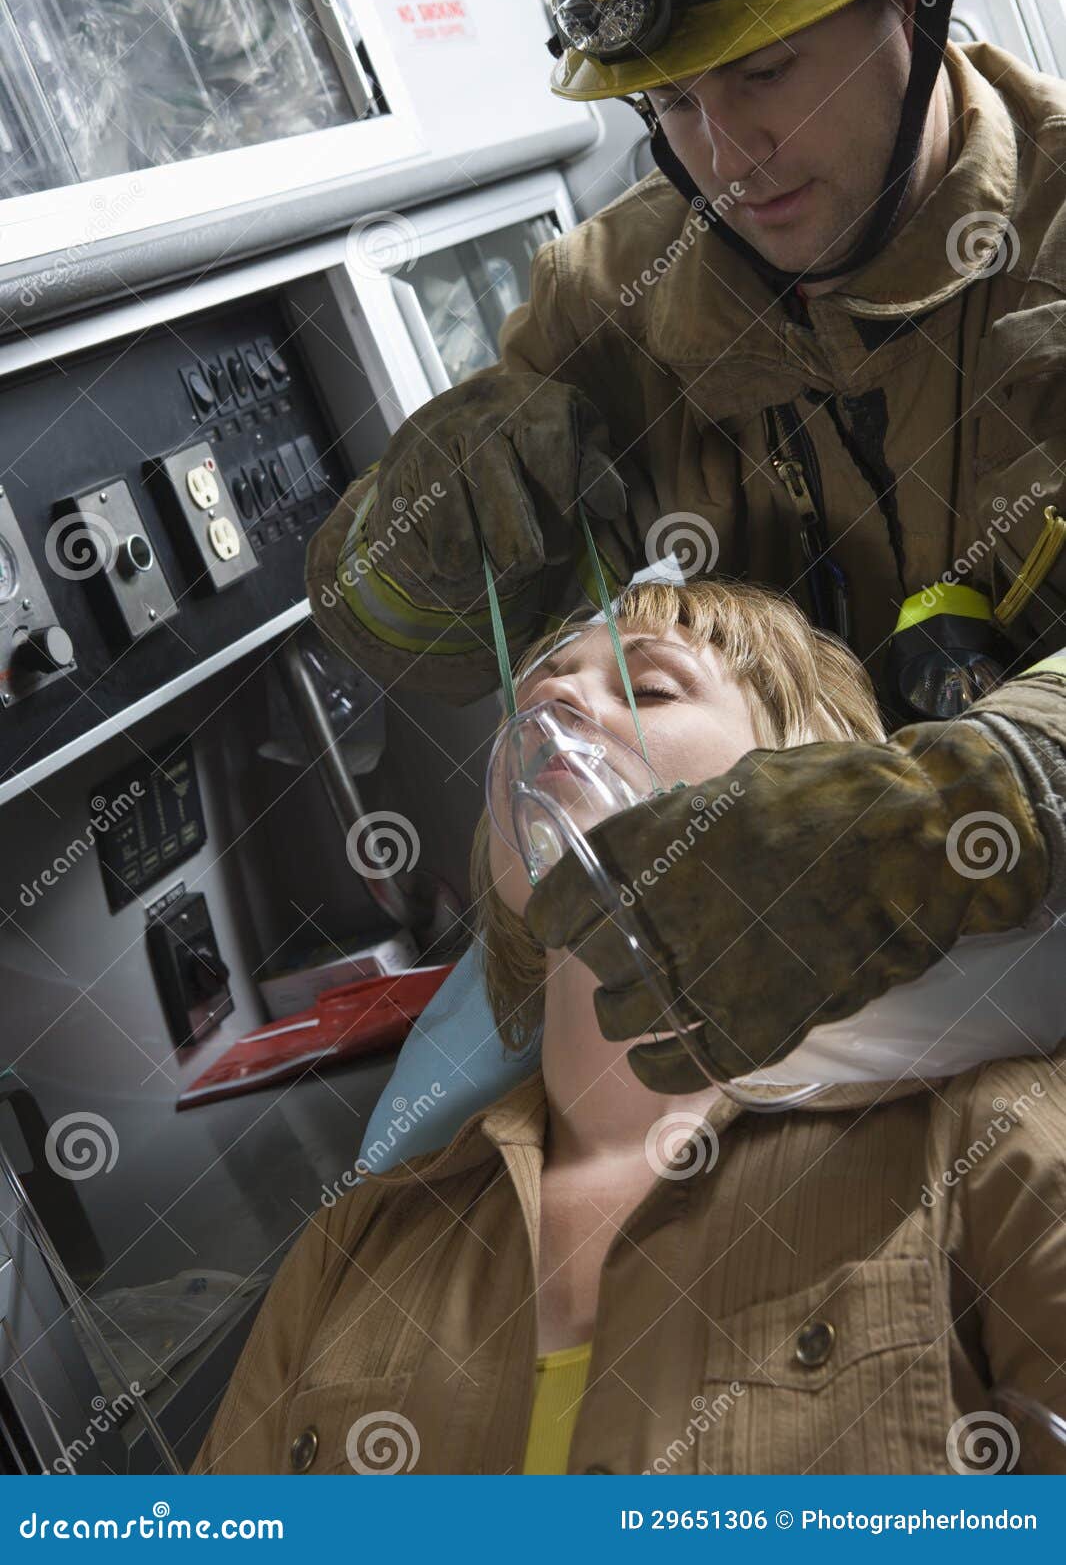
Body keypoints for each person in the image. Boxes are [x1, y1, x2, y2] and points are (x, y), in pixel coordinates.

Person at [305, 0, 1066, 1093]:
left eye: (765, 71)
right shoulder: (605, 301)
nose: (725, 156)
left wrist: (971, 809)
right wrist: (411, 535)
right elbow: (439, 650)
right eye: (669, 100)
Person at [192, 580, 1066, 1475]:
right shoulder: (354, 1250)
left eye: (649, 689)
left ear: (815, 792)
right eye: (533, 693)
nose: (555, 703)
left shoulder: (986, 1144)